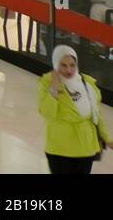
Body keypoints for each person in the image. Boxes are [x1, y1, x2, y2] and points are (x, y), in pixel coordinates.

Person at [38, 45, 109, 174]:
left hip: (86, 147)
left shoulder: (87, 83)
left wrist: (107, 138)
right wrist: (54, 90)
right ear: (55, 64)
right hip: (60, 149)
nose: (69, 70)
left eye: (72, 65)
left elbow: (96, 115)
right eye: (63, 65)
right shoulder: (47, 82)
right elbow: (47, 112)